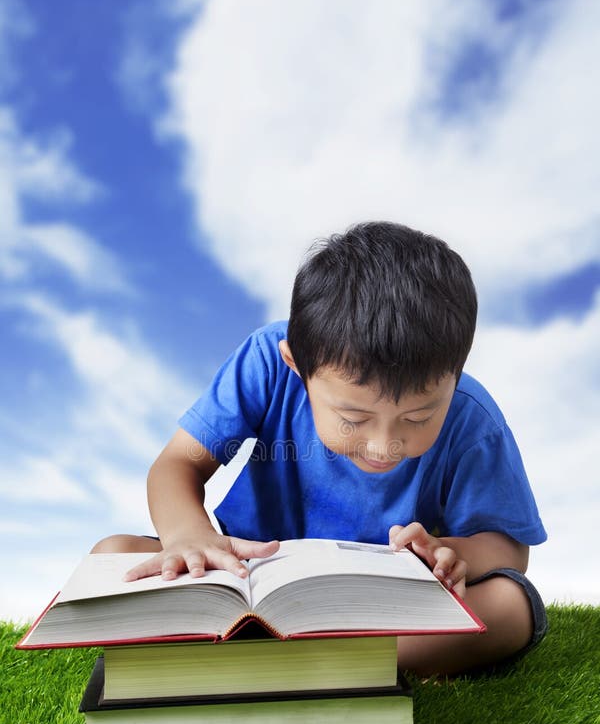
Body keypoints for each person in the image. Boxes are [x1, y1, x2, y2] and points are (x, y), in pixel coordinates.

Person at [92, 222, 547, 676]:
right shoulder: (267, 361)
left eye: (418, 418)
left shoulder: (473, 419)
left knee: (512, 606)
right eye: (352, 419)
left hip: (387, 607)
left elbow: (509, 550)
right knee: (112, 553)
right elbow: (176, 465)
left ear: (457, 369)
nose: (383, 445)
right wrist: (189, 536)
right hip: (246, 580)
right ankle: (330, 662)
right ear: (298, 366)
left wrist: (448, 553)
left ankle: (296, 661)